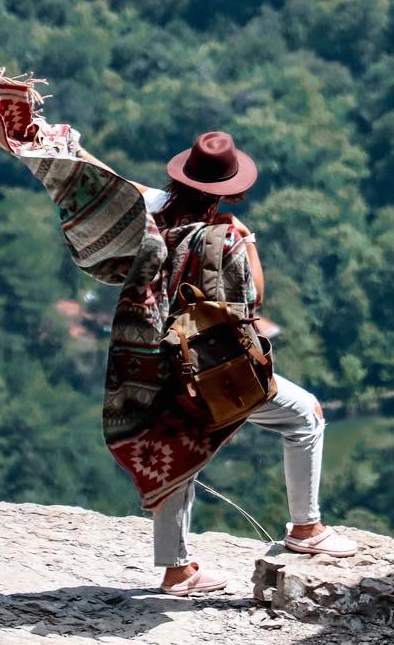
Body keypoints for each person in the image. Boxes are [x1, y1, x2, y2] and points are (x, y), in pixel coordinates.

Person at [142, 131, 357, 597]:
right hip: (211, 369)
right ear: (232, 190)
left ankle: (177, 569)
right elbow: (250, 299)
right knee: (306, 416)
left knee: (179, 446)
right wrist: (248, 240)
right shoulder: (225, 239)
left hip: (156, 361)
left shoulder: (156, 220)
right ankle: (306, 529)